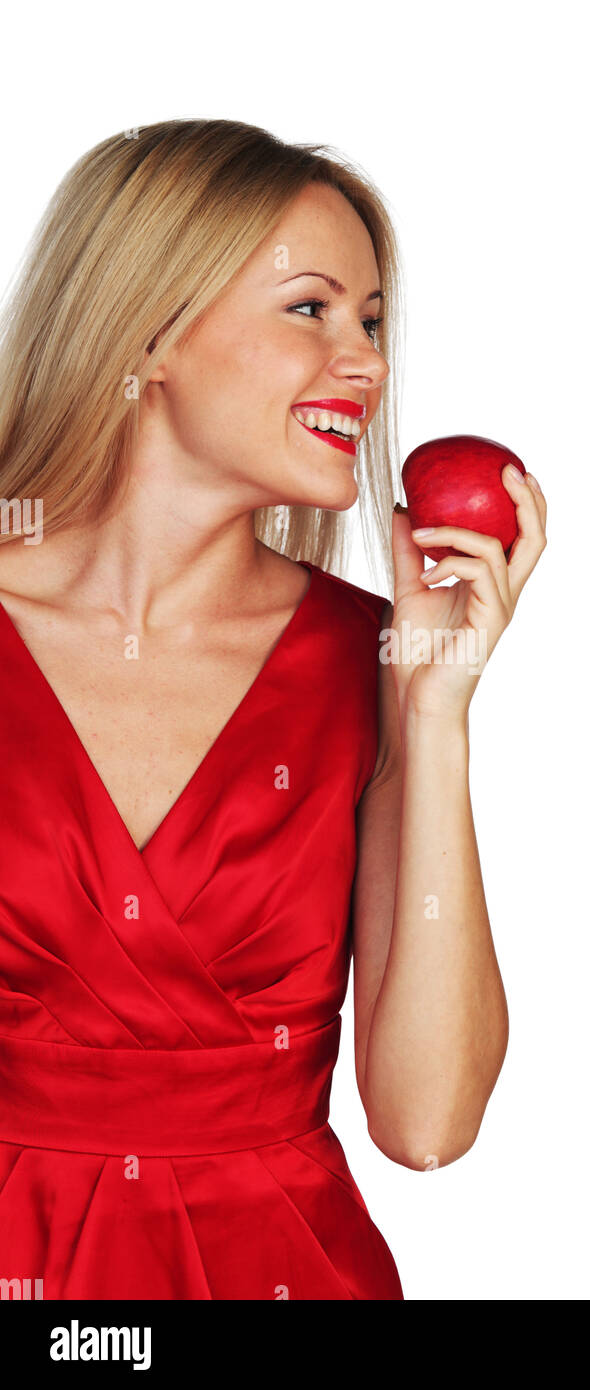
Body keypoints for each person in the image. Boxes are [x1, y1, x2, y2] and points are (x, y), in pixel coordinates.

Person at [0, 119, 547, 1300]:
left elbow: (428, 1122)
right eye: (311, 310)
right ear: (146, 333)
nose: (367, 362)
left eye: (373, 322)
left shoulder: (366, 662)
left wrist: (433, 713)